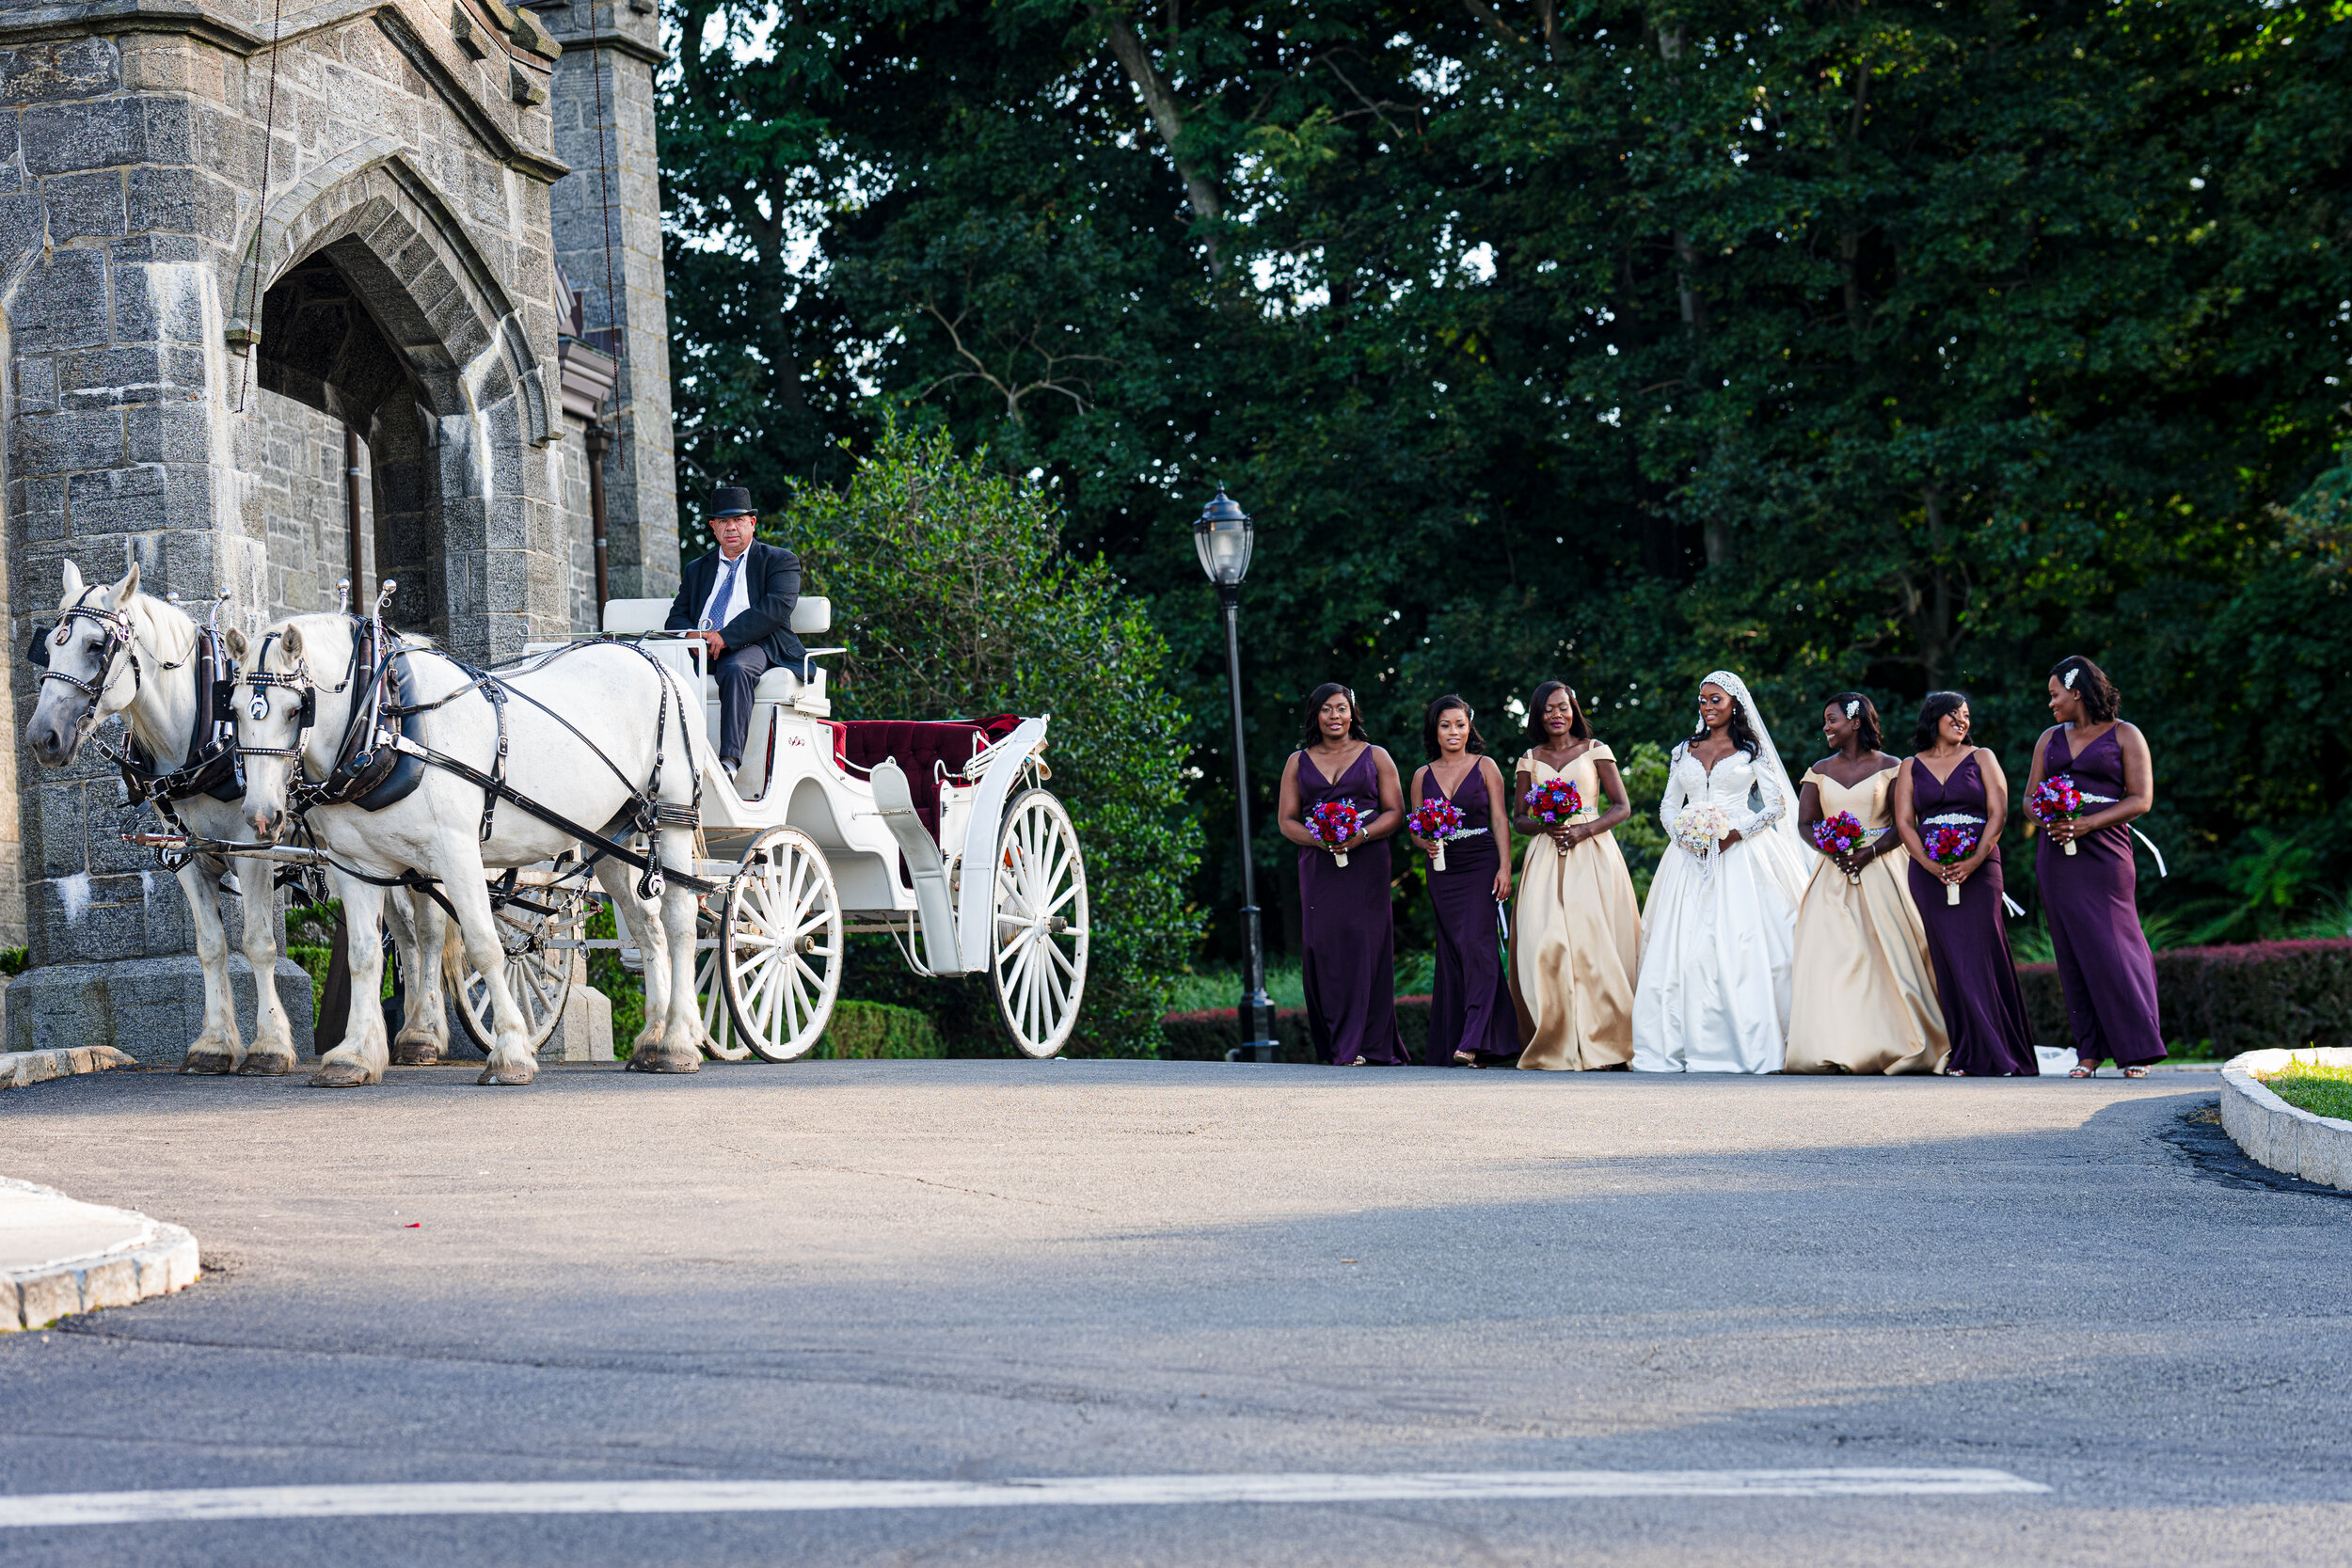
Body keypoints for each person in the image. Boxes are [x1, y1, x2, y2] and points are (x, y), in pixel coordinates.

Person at [1631, 671, 1810, 1073]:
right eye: (1703, 700)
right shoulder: (1683, 750)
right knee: (1682, 947)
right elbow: (1668, 807)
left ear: (1734, 703)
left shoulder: (1752, 750)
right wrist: (1685, 836)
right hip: (1687, 857)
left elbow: (1777, 805)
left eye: (1716, 699)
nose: (1708, 707)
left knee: (1745, 942)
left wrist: (1735, 833)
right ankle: (1677, 1041)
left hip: (1743, 853)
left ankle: (1750, 1037)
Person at [1786, 693, 1950, 1074]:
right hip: (1832, 872)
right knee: (1832, 958)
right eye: (1825, 721)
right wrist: (1831, 848)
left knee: (1890, 955)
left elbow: (1902, 822)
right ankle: (1833, 1046)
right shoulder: (1818, 770)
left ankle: (1901, 1043)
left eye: (1832, 720)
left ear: (1856, 722)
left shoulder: (1893, 767)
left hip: (1882, 868)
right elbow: (1806, 823)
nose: (1826, 727)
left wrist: (1869, 852)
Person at [2024, 655, 2166, 1079]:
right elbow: (2030, 798)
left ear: (2077, 691)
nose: (2051, 704)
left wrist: (2086, 822)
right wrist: (2049, 817)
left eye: (2055, 695)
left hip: (2106, 851)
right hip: (2057, 856)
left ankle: (2136, 1048)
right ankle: (2088, 1052)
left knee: (2117, 947)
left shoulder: (2126, 735)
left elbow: (2141, 800)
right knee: (2069, 949)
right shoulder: (2049, 739)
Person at [1890, 690, 2038, 1076]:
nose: (1962, 721)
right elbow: (1905, 822)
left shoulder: (1982, 757)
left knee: (1983, 952)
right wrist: (1928, 864)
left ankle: (2004, 1052)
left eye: (1966, 715)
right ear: (1933, 718)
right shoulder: (1910, 765)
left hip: (1981, 867)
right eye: (1953, 715)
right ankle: (1967, 1053)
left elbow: (1998, 812)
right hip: (1928, 873)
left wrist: (1974, 860)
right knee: (1948, 958)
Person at [1508, 681, 1641, 1071]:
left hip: (1593, 853)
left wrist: (1584, 829)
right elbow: (1519, 819)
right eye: (1548, 709)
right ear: (1537, 714)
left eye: (1563, 707)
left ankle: (1609, 1045)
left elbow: (1621, 807)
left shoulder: (1596, 750)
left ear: (1573, 709)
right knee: (1547, 942)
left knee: (1594, 944)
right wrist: (1544, 826)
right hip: (1547, 855)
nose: (1557, 715)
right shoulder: (1529, 759)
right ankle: (1556, 1042)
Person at [1277, 684, 1406, 1065]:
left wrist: (1360, 836)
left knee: (1366, 944)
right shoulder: (1296, 761)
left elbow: (1395, 812)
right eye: (1326, 710)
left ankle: (1369, 1044)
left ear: (1353, 714)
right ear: (1315, 715)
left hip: (1366, 862)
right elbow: (1286, 820)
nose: (1335, 716)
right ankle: (1338, 1043)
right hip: (1318, 866)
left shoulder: (1376, 756)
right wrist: (1320, 841)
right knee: (1325, 948)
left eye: (1342, 709)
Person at [664, 485, 810, 773]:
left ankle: (728, 763)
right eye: (723, 521)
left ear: (752, 523)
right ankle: (665, 763)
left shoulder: (779, 560)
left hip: (756, 645)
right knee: (655, 673)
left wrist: (726, 636)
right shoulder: (697, 568)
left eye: (738, 520)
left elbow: (775, 609)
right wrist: (692, 635)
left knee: (736, 669)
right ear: (713, 527)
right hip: (699, 649)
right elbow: (677, 617)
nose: (731, 528)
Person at [1406, 695, 1517, 1067]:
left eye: (1459, 724)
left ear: (1469, 727)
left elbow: (1501, 819)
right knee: (1454, 950)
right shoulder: (1422, 776)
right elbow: (1415, 829)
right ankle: (1484, 1041)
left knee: (1477, 944)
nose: (1453, 732)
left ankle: (1472, 1040)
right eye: (1445, 725)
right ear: (1434, 731)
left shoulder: (1486, 766)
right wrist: (1426, 843)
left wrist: (1505, 867)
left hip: (1482, 861)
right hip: (1443, 870)